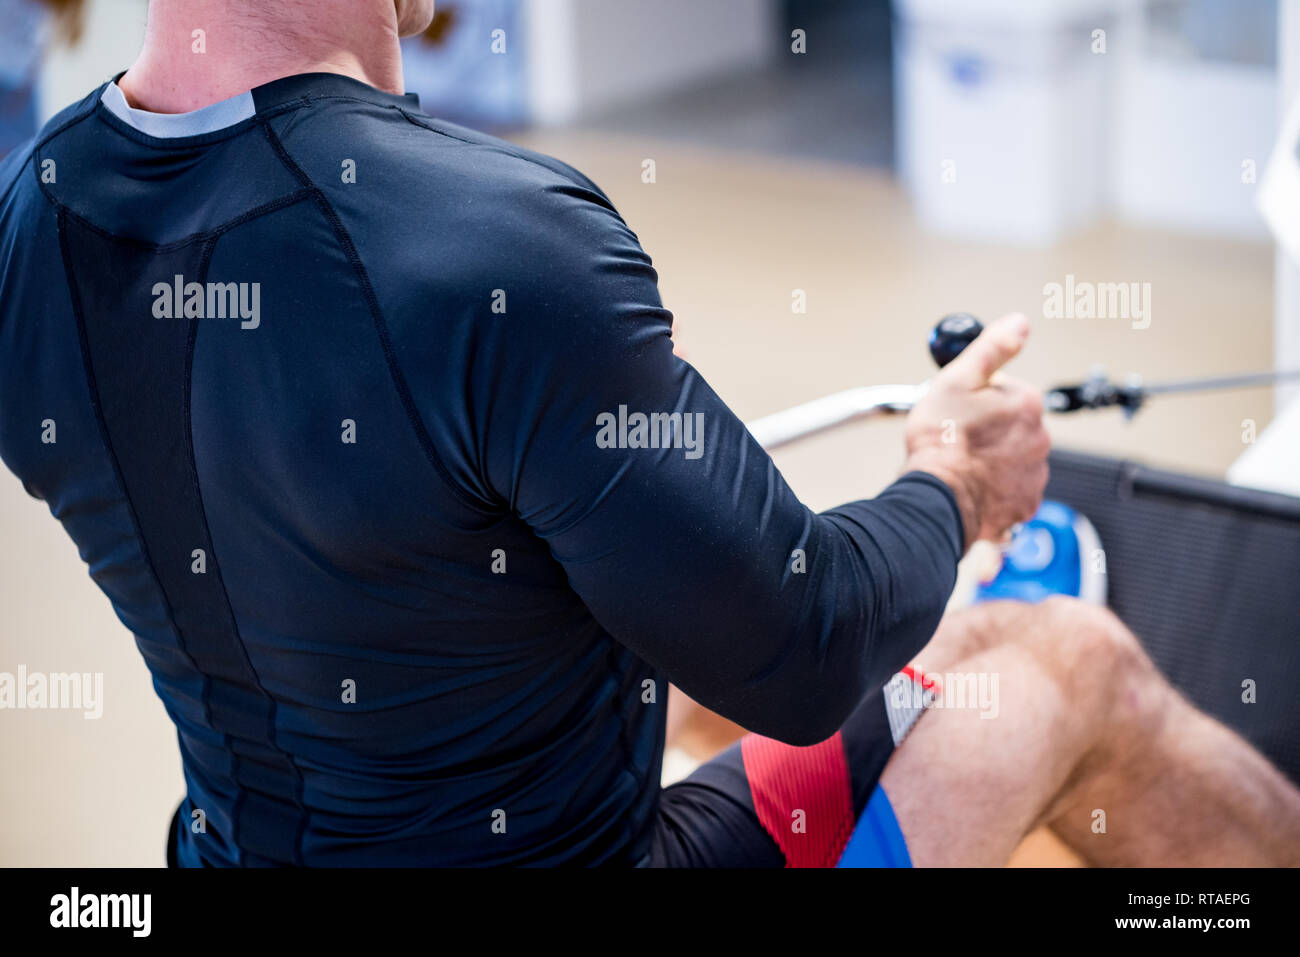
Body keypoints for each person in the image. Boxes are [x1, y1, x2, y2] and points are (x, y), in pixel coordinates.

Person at [0, 0, 1296, 866]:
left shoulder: (32, 214)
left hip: (240, 834)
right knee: (1060, 658)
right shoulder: (489, 243)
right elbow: (806, 645)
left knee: (634, 644)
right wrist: (954, 479)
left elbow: (351, 534)